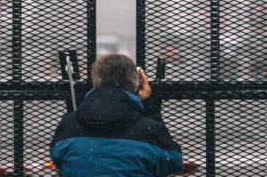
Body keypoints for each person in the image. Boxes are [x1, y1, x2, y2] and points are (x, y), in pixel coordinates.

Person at [50, 52, 183, 175]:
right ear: (135, 88)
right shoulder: (149, 130)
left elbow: (57, 159)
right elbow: (173, 161)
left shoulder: (68, 125)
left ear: (95, 85)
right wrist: (149, 106)